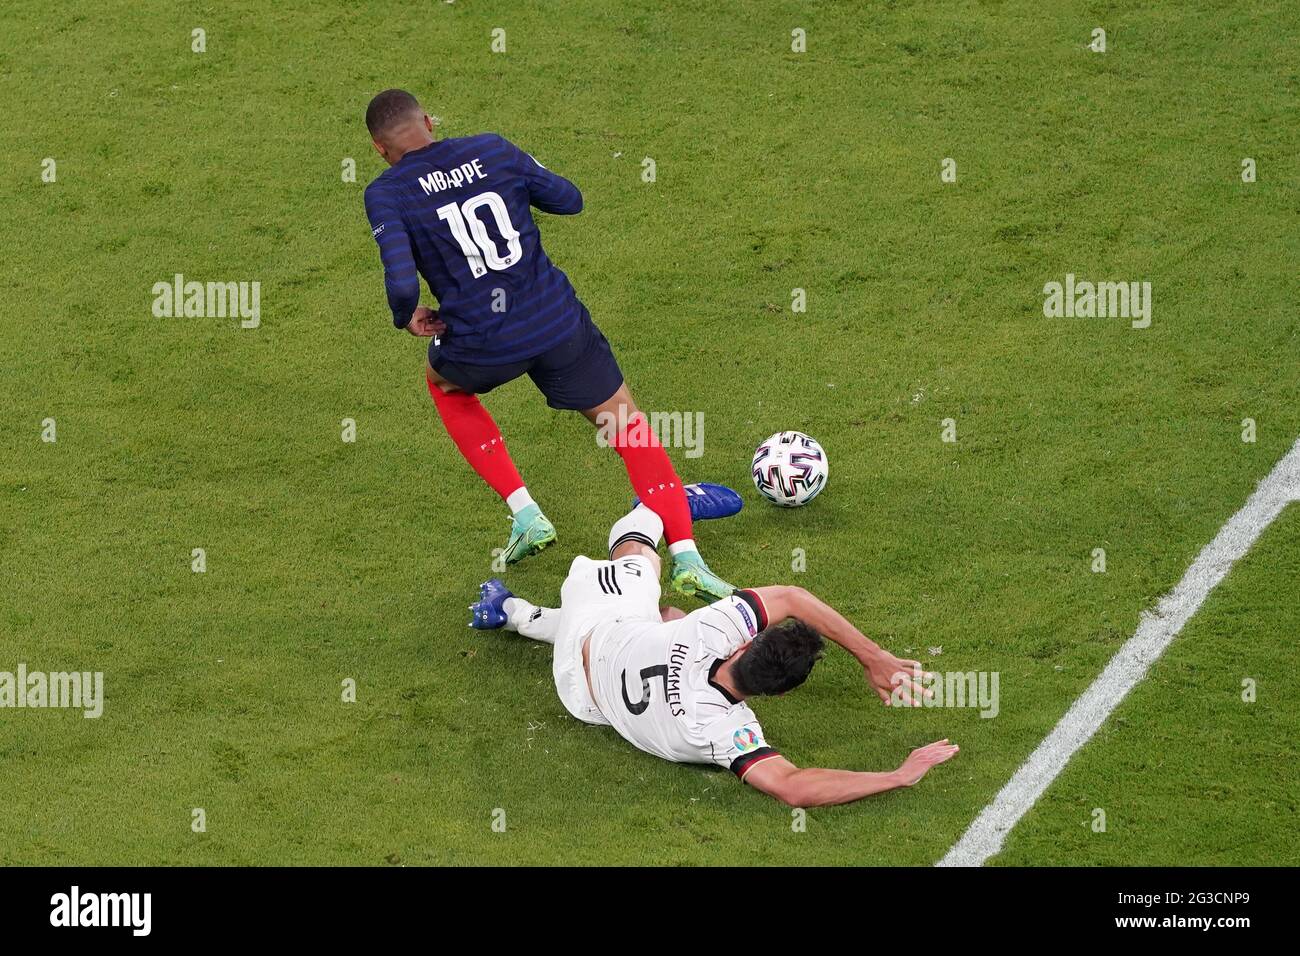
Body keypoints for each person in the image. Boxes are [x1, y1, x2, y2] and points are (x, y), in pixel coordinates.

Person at [363, 89, 735, 599]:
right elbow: (569, 199)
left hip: (480, 342)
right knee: (627, 428)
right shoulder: (491, 149)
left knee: (446, 387)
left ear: (380, 149)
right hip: (555, 322)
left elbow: (403, 285)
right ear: (428, 120)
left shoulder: (387, 192)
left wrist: (406, 317)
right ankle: (688, 557)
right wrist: (518, 172)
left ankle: (526, 512)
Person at [468, 506, 959, 806]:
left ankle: (666, 508)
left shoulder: (710, 630)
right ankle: (510, 611)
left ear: (744, 643)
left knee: (637, 545)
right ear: (777, 694)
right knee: (665, 612)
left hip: (597, 626)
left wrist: (873, 657)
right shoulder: (724, 732)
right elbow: (793, 787)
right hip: (585, 702)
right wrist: (897, 776)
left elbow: (791, 595)